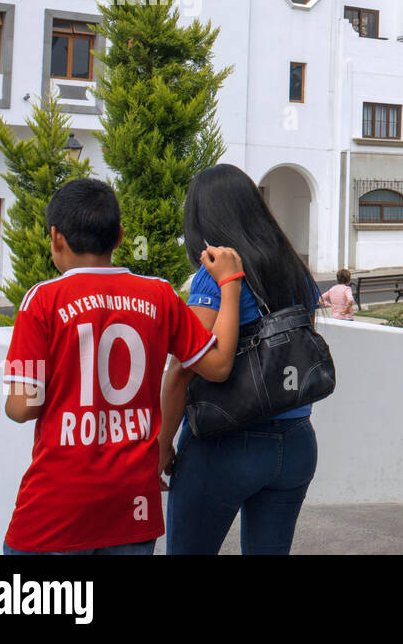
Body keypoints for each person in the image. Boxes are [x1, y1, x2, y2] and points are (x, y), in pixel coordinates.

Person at [2, 178, 243, 555]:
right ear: (119, 236)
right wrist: (229, 283)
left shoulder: (42, 300)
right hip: (132, 505)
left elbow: (24, 406)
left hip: (55, 509)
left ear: (55, 238)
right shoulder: (160, 294)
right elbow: (218, 366)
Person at [160, 163, 322, 555]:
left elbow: (184, 368)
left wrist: (162, 444)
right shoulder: (293, 268)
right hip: (296, 441)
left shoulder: (213, 276)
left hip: (226, 444)